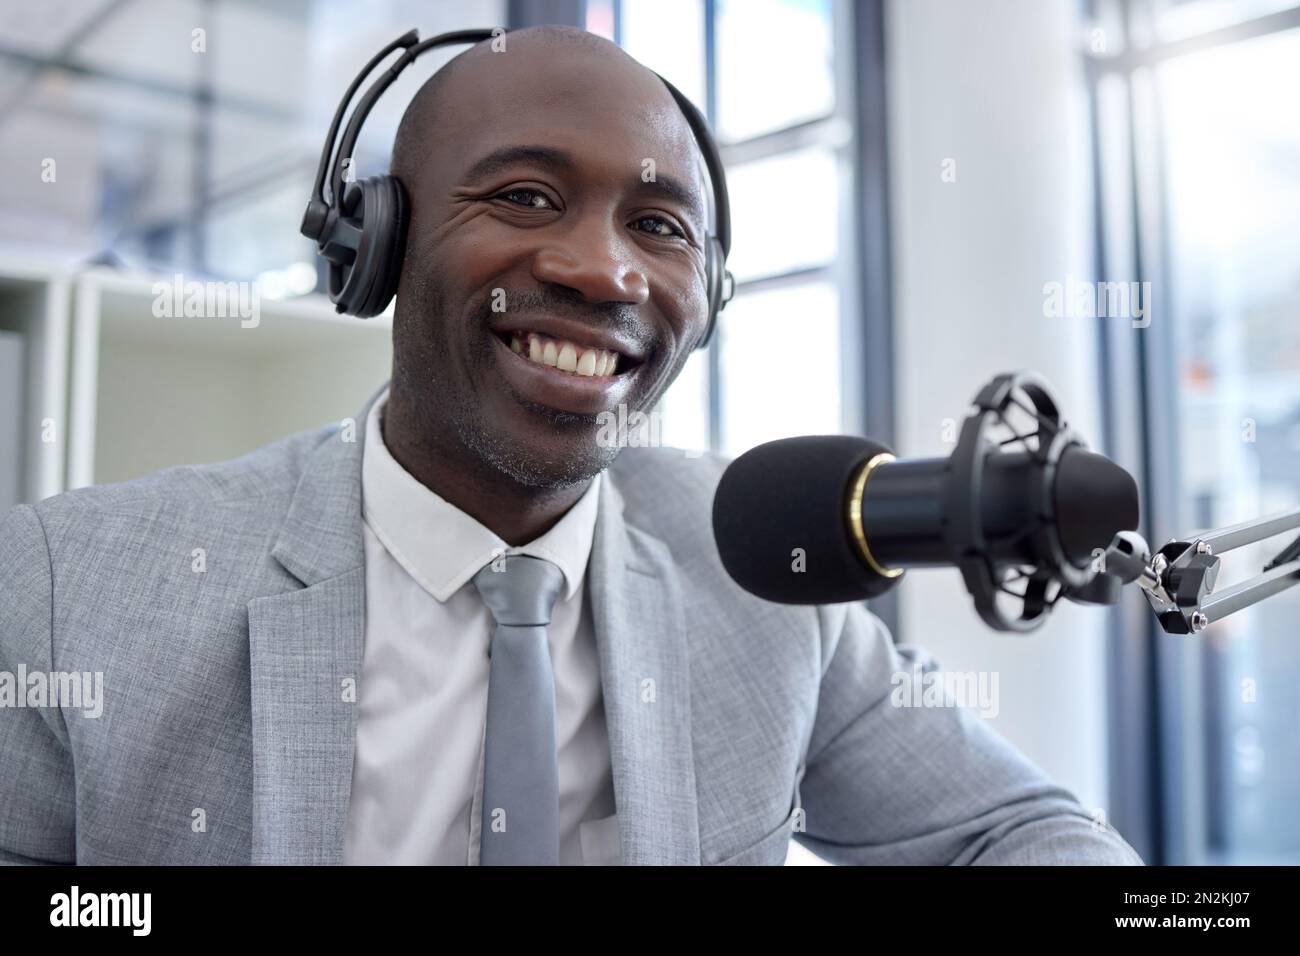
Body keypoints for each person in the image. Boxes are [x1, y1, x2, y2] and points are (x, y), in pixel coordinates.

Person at [0, 26, 1141, 865]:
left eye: (659, 226)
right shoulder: (75, 584)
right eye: (527, 196)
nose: (604, 271)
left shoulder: (759, 587)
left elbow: (1020, 829)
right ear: (376, 245)